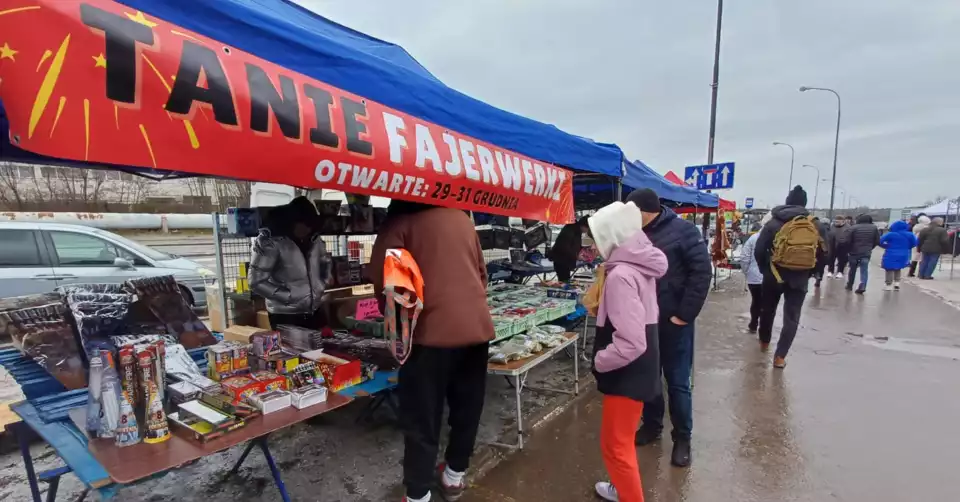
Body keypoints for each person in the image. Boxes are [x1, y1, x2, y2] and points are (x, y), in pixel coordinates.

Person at [369, 200, 494, 502]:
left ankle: (418, 494)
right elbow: (482, 275)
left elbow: (386, 282)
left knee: (422, 417)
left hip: (428, 336)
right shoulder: (462, 219)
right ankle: (454, 477)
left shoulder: (399, 224)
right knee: (467, 408)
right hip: (475, 329)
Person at [587, 201, 668, 502]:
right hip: (640, 368)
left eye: (596, 237)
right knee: (620, 442)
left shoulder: (621, 275)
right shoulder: (639, 265)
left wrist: (600, 360)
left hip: (627, 372)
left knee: (616, 447)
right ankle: (621, 489)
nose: (593, 245)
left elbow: (632, 342)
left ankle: (628, 495)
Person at [626, 188, 711, 468]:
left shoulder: (684, 231)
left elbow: (701, 273)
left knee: (677, 382)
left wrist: (684, 315)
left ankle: (683, 438)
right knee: (649, 377)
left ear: (644, 211)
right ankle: (652, 425)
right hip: (643, 322)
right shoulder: (633, 234)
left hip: (674, 321)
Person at [755, 186, 823, 369]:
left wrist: (765, 270)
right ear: (805, 203)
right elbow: (825, 253)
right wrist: (811, 272)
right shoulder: (814, 224)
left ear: (787, 201)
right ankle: (780, 357)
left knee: (767, 310)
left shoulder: (773, 223)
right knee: (792, 317)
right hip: (799, 278)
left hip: (773, 275)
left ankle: (764, 342)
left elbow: (759, 250)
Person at [249, 197, 331, 329]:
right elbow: (256, 282)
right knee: (293, 343)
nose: (307, 230)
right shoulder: (270, 242)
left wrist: (322, 285)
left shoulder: (314, 239)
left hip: (314, 308)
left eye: (310, 226)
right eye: (303, 225)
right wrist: (288, 296)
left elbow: (325, 263)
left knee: (320, 342)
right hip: (284, 313)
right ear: (292, 222)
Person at [844, 214, 880, 294]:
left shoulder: (853, 227)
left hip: (854, 252)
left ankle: (850, 285)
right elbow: (877, 241)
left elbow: (848, 240)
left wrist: (849, 250)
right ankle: (863, 285)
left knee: (852, 269)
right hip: (866, 252)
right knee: (864, 270)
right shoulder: (874, 228)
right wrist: (870, 248)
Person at [739, 225, 764, 333]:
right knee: (769, 303)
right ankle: (765, 330)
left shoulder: (754, 238)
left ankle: (753, 324)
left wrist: (747, 272)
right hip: (773, 278)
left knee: (756, 301)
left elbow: (744, 258)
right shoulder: (779, 237)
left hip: (754, 277)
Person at [879, 220, 917, 291]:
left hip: (891, 253)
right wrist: (908, 247)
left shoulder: (890, 234)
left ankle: (888, 285)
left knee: (889, 268)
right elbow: (915, 243)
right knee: (898, 268)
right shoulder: (910, 234)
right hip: (904, 253)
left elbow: (880, 241)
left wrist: (886, 246)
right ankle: (897, 283)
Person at [550, 217, 589, 282]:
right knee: (564, 281)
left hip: (566, 261)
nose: (587, 231)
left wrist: (584, 249)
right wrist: (577, 256)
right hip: (561, 260)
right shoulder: (570, 229)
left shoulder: (576, 230)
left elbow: (575, 244)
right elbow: (563, 247)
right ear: (583, 226)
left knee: (565, 281)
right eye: (588, 229)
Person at [812, 216, 830, 287]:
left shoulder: (812, 226)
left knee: (813, 262)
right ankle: (819, 278)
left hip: (814, 247)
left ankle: (815, 273)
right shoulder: (825, 228)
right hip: (823, 248)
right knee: (821, 265)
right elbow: (826, 239)